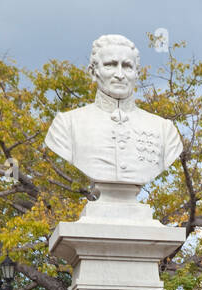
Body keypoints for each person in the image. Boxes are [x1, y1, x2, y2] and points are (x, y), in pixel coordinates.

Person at [44, 34, 183, 191]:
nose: (120, 74)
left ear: (137, 73)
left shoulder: (164, 130)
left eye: (127, 66)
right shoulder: (66, 124)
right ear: (93, 72)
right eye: (110, 65)